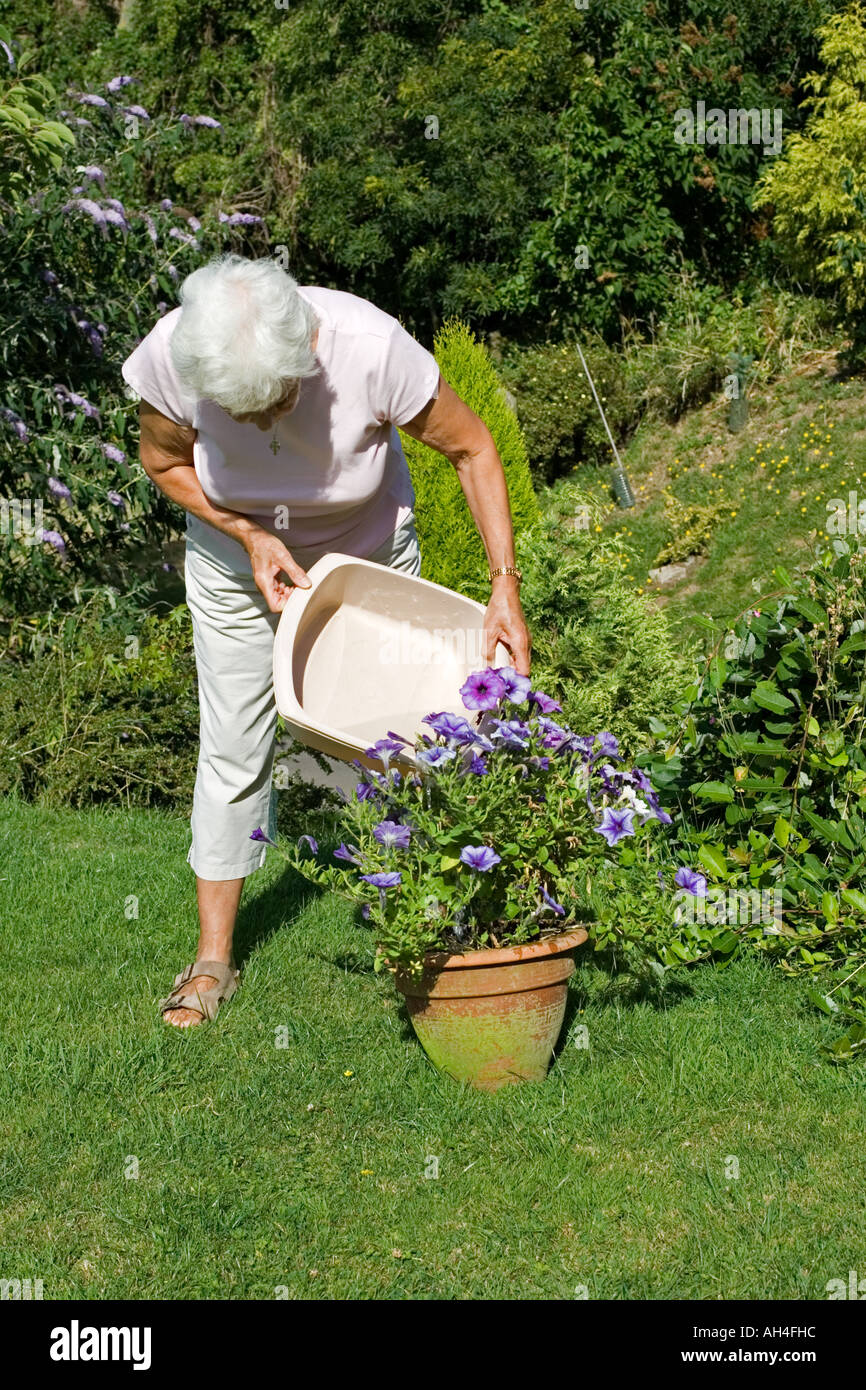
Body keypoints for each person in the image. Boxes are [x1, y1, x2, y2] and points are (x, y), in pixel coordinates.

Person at [121, 254, 531, 1027]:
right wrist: (244, 532)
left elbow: (472, 449)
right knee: (234, 745)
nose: (261, 426)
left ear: (308, 354)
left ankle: (424, 920)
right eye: (237, 413)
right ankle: (212, 961)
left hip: (366, 559)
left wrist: (503, 583)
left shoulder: (369, 347)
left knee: (399, 741)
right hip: (239, 566)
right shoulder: (179, 355)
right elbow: (163, 462)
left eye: (273, 402)